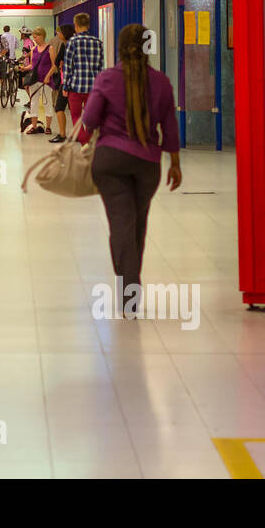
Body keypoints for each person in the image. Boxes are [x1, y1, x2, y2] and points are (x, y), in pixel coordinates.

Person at [82, 23, 180, 313]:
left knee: (121, 224)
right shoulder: (161, 82)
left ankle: (128, 289)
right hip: (147, 163)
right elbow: (170, 128)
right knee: (137, 224)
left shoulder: (107, 79)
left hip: (110, 162)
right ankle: (131, 289)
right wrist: (174, 163)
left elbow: (89, 119)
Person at [62, 12, 106, 144]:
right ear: (88, 25)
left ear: (76, 25)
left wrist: (65, 86)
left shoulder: (72, 42)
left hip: (75, 87)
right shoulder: (98, 42)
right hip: (93, 88)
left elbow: (68, 67)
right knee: (92, 117)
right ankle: (89, 139)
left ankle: (84, 142)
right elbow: (100, 67)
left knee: (76, 116)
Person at [19, 27, 53, 134]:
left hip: (46, 81)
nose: (34, 40)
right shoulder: (34, 49)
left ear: (42, 36)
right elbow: (32, 65)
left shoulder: (50, 49)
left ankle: (48, 127)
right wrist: (25, 68)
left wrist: (48, 76)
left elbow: (54, 65)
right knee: (33, 103)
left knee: (47, 103)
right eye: (33, 37)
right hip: (35, 80)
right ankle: (33, 126)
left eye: (36, 37)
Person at [47, 24, 71, 142]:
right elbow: (58, 62)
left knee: (59, 107)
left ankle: (62, 134)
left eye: (59, 32)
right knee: (73, 110)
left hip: (67, 80)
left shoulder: (66, 45)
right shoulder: (64, 44)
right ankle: (80, 134)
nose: (58, 34)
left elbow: (57, 62)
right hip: (76, 82)